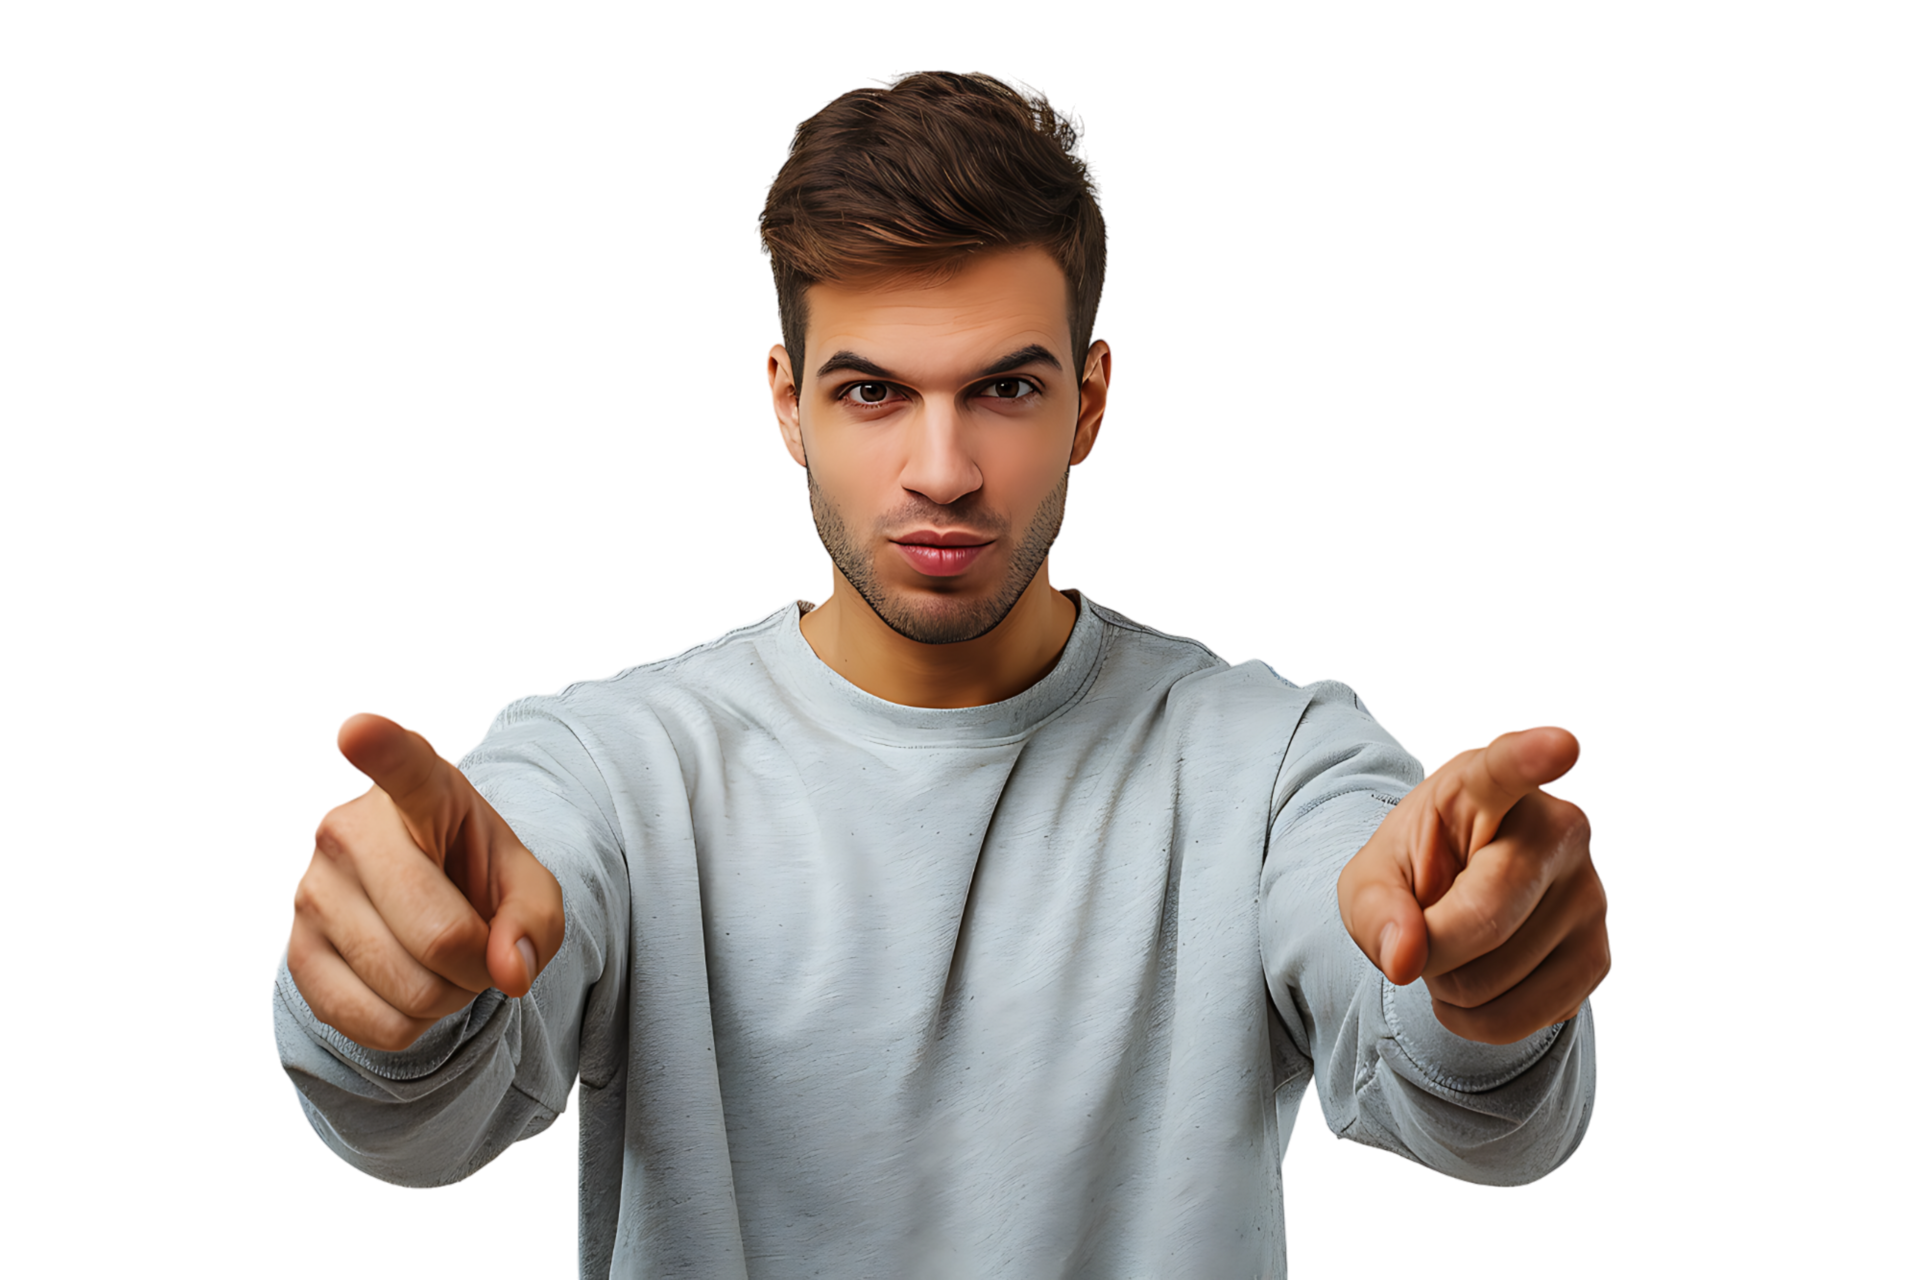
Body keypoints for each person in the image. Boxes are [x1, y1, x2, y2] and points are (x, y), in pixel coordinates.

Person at [273, 70, 1607, 1277]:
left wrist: (1471, 989)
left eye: (1004, 392)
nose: (943, 470)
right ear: (783, 413)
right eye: (873, 395)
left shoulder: (1270, 766)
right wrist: (396, 997)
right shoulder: (618, 772)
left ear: (1088, 411)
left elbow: (1463, 1106)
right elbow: (418, 1109)